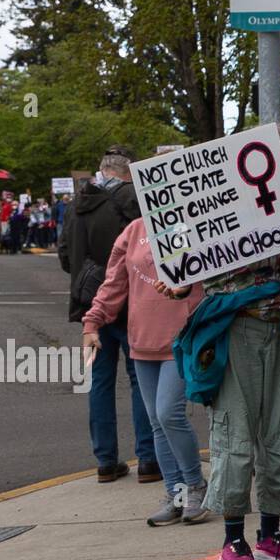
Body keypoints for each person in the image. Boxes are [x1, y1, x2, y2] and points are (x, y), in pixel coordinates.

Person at [202, 128, 280, 560]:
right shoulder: (220, 211)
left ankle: (270, 534)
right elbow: (195, 276)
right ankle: (233, 539)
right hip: (236, 332)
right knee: (235, 438)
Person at [82, 218, 209, 526]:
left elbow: (218, 278)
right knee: (156, 422)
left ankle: (195, 485)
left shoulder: (200, 222)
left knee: (168, 414)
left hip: (183, 338)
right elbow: (114, 282)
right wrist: (93, 321)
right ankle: (174, 493)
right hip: (143, 341)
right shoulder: (134, 230)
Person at [58, 148, 159, 485]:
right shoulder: (135, 200)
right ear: (127, 173)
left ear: (102, 171)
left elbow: (64, 256)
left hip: (91, 307)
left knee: (99, 382)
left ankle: (105, 461)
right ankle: (148, 459)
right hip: (131, 303)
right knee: (140, 379)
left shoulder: (75, 205)